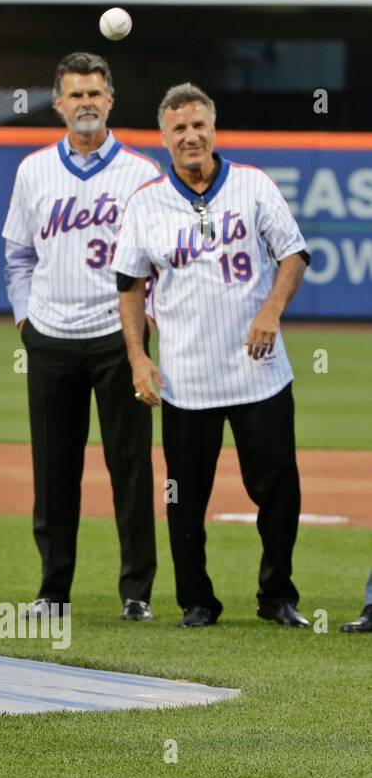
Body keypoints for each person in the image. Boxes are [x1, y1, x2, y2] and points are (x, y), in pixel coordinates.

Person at [115, 83, 310, 629]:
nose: (191, 136)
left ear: (213, 129)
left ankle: (277, 596)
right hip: (186, 379)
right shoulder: (146, 202)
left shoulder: (252, 185)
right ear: (164, 138)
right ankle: (197, 601)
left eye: (199, 125)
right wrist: (138, 358)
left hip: (259, 375)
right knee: (184, 500)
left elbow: (294, 255)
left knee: (279, 491)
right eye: (179, 128)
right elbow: (129, 286)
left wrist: (271, 311)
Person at [2, 52, 162, 621]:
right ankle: (53, 591)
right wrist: (25, 319)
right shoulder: (33, 170)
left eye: (95, 93)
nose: (86, 103)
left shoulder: (142, 174)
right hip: (51, 334)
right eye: (75, 94)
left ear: (110, 99)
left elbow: (160, 262)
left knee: (131, 467)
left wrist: (149, 324)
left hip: (119, 339)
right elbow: (18, 254)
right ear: (59, 103)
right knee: (54, 468)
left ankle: (136, 591)